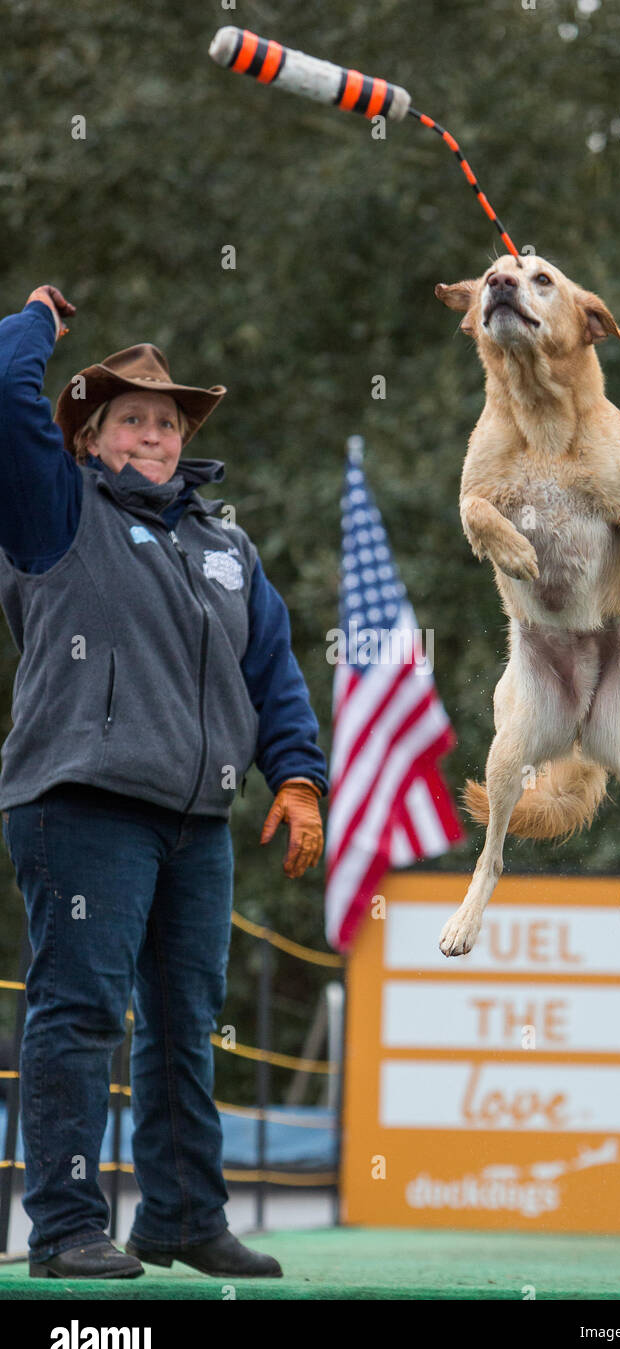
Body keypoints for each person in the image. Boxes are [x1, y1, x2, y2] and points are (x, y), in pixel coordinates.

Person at [0, 284, 329, 1279]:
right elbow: (7, 397)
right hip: (81, 802)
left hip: (200, 818)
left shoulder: (224, 544)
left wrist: (300, 776)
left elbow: (272, 668)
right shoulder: (52, 509)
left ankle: (183, 1216)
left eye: (168, 418)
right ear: (91, 437)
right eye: (132, 416)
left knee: (189, 1022)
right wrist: (32, 326)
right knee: (82, 1011)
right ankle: (62, 1225)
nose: (154, 430)